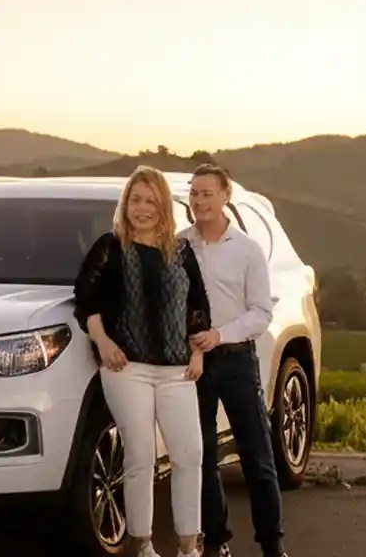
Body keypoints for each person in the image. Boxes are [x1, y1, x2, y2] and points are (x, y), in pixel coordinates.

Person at [73, 165, 213, 557]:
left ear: (164, 205)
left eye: (151, 200)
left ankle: (189, 545)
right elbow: (86, 300)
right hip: (127, 369)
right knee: (139, 455)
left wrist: (198, 352)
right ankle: (144, 544)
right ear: (126, 203)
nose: (143, 208)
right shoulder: (110, 247)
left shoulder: (182, 252)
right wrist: (102, 342)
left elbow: (198, 307)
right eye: (136, 199)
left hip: (178, 371)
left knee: (189, 454)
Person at [181, 164, 288, 557]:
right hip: (194, 367)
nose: (198, 201)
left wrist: (220, 335)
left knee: (257, 458)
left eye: (207, 193)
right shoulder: (180, 246)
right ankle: (216, 543)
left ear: (226, 196)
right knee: (203, 457)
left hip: (237, 362)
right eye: (193, 194)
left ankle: (272, 545)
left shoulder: (247, 250)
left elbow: (261, 312)